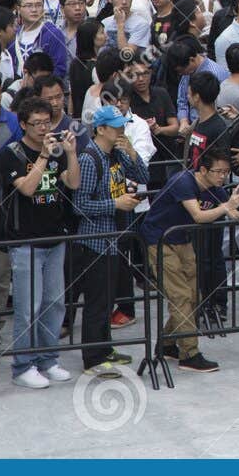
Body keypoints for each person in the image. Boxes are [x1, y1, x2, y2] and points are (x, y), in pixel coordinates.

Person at [0, 97, 80, 389]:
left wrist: (71, 153)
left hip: (55, 236)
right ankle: (22, 365)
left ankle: (47, 359)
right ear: (23, 125)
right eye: (37, 124)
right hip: (25, 240)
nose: (44, 128)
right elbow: (28, 189)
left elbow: (73, 183)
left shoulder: (57, 150)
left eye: (47, 122)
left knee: (54, 303)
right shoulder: (12, 154)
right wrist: (43, 157)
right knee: (28, 307)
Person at [140, 145, 239, 372]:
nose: (222, 176)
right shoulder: (183, 181)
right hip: (159, 240)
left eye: (225, 172)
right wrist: (228, 205)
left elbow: (230, 213)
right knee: (180, 296)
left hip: (182, 239)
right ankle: (189, 354)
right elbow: (199, 215)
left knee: (192, 295)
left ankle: (168, 344)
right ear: (202, 170)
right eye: (218, 172)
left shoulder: (214, 188)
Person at [69, 105, 149, 377]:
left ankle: (105, 348)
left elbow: (144, 177)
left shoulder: (116, 153)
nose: (121, 131)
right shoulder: (90, 159)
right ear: (100, 129)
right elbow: (79, 206)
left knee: (108, 297)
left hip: (114, 238)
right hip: (95, 241)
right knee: (97, 301)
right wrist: (116, 203)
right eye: (116, 127)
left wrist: (131, 152)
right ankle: (92, 358)